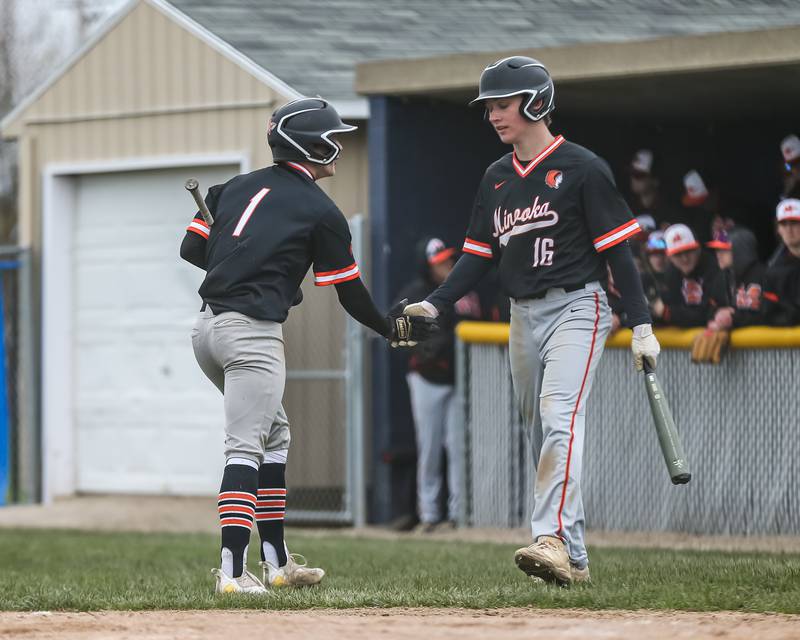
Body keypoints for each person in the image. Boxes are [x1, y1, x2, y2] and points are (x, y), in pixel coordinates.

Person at [401, 57, 660, 586]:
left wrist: (641, 324)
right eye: (490, 107)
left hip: (577, 305)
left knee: (559, 417)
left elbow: (620, 256)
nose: (495, 115)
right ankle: (576, 556)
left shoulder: (584, 167)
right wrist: (437, 303)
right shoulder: (496, 178)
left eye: (503, 104)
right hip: (522, 313)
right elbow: (475, 256)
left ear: (535, 101)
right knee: (540, 432)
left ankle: (551, 539)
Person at [179, 97, 437, 595]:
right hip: (251, 335)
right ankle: (232, 573)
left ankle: (276, 562)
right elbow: (350, 291)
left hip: (207, 331)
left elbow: (193, 249)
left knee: (274, 436)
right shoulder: (321, 210)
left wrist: (245, 265)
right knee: (247, 446)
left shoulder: (230, 188)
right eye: (332, 138)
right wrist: (388, 328)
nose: (337, 145)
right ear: (310, 144)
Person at [397, 237, 483, 533]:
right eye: (440, 262)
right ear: (428, 266)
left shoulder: (464, 292)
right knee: (430, 448)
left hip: (460, 381)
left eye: (449, 259)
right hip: (427, 380)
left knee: (458, 448)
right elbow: (396, 332)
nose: (447, 265)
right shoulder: (415, 294)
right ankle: (430, 515)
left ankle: (458, 515)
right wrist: (426, 348)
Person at [650, 223, 720, 327]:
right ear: (670, 258)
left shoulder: (713, 268)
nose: (685, 259)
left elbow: (707, 314)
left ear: (698, 249)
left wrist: (668, 313)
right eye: (678, 254)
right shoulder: (671, 273)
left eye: (688, 251)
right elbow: (661, 308)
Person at [706, 228, 766, 329]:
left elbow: (769, 315)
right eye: (717, 249)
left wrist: (733, 316)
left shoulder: (764, 276)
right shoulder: (720, 278)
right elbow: (708, 310)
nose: (718, 254)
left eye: (724, 250)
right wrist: (718, 316)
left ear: (741, 250)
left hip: (767, 343)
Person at [764, 199, 800, 325]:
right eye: (784, 224)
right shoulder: (772, 269)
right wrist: (792, 317)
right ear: (778, 229)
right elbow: (768, 315)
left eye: (794, 223)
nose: (789, 230)